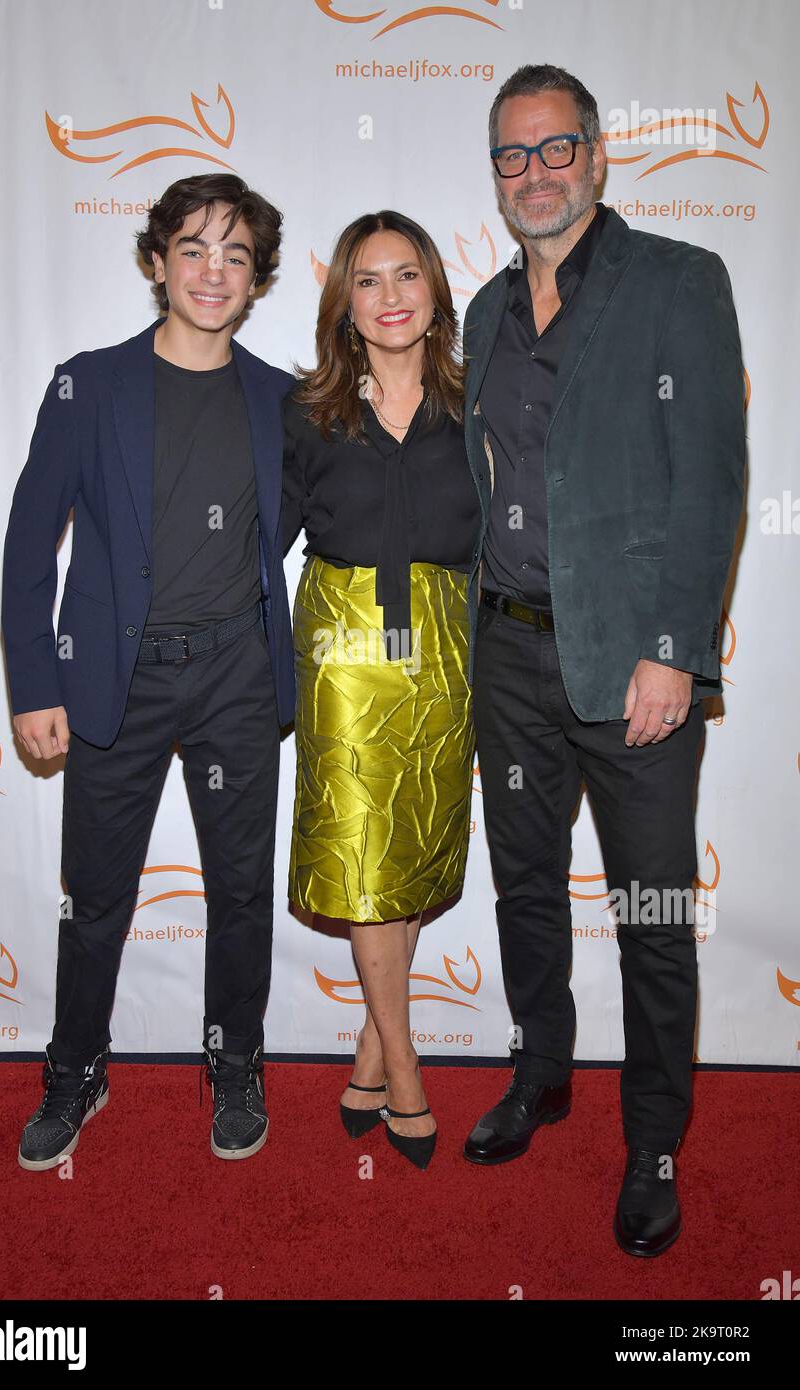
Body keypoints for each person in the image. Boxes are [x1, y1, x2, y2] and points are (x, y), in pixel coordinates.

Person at [461, 66, 745, 1254]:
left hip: (635, 671)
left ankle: (656, 1140)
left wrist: (672, 651)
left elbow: (711, 481)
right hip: (509, 662)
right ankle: (541, 1071)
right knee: (526, 894)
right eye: (513, 156)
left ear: (596, 152)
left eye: (555, 147)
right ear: (496, 174)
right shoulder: (479, 311)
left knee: (648, 912)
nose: (536, 172)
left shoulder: (679, 281)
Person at [1, 173, 295, 1169]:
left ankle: (235, 1061)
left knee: (243, 889)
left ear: (257, 279)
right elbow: (29, 543)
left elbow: (292, 531)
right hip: (114, 681)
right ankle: (75, 1069)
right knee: (95, 895)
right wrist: (36, 680)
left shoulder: (280, 399)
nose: (214, 271)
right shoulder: (88, 384)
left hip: (237, 677)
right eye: (195, 249)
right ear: (155, 259)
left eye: (237, 255)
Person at [281, 211, 481, 1170]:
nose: (392, 297)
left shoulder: (478, 401)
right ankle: (404, 1065)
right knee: (362, 861)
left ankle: (366, 1048)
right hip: (344, 652)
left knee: (410, 850)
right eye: (369, 280)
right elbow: (256, 541)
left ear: (436, 292)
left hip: (445, 646)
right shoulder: (306, 410)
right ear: (344, 304)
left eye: (409, 276)